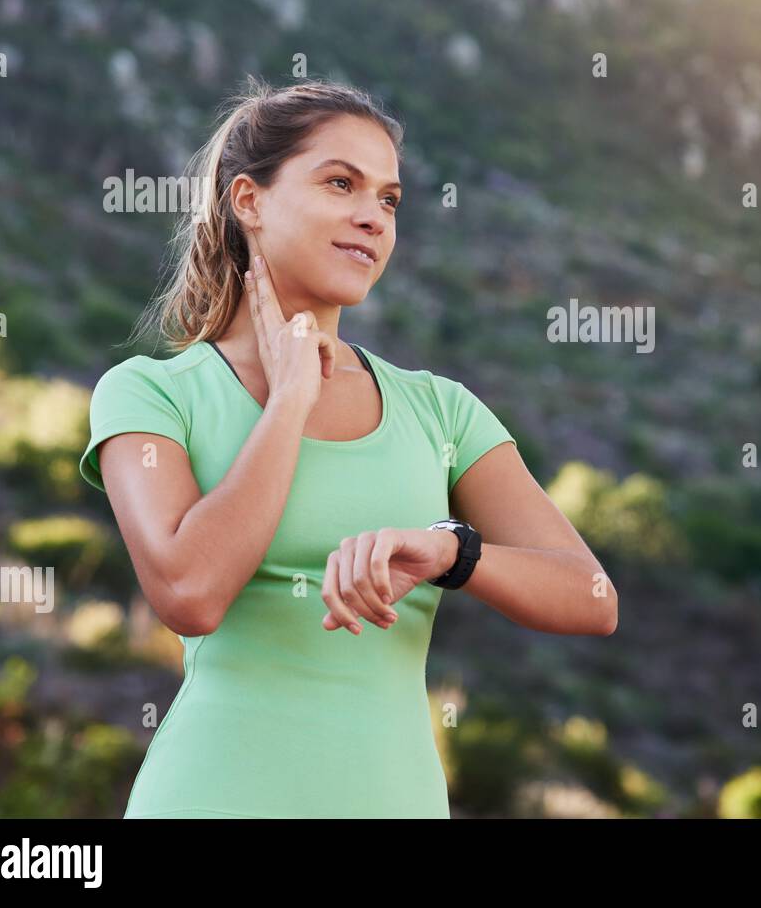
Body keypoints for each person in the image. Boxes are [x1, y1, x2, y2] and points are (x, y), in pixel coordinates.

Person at [79, 77, 618, 818]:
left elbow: (593, 598)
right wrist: (291, 398)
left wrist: (453, 553)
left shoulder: (441, 411)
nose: (372, 217)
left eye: (389, 200)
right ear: (250, 201)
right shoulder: (150, 395)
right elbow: (189, 594)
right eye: (342, 184)